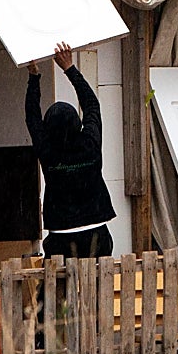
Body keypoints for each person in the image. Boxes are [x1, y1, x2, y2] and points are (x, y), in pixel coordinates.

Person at [26, 41, 116, 258]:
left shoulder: (47, 151)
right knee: (98, 289)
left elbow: (32, 117)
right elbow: (92, 106)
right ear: (78, 124)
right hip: (97, 231)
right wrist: (69, 68)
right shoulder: (90, 144)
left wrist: (34, 77)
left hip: (60, 236)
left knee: (56, 290)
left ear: (48, 129)